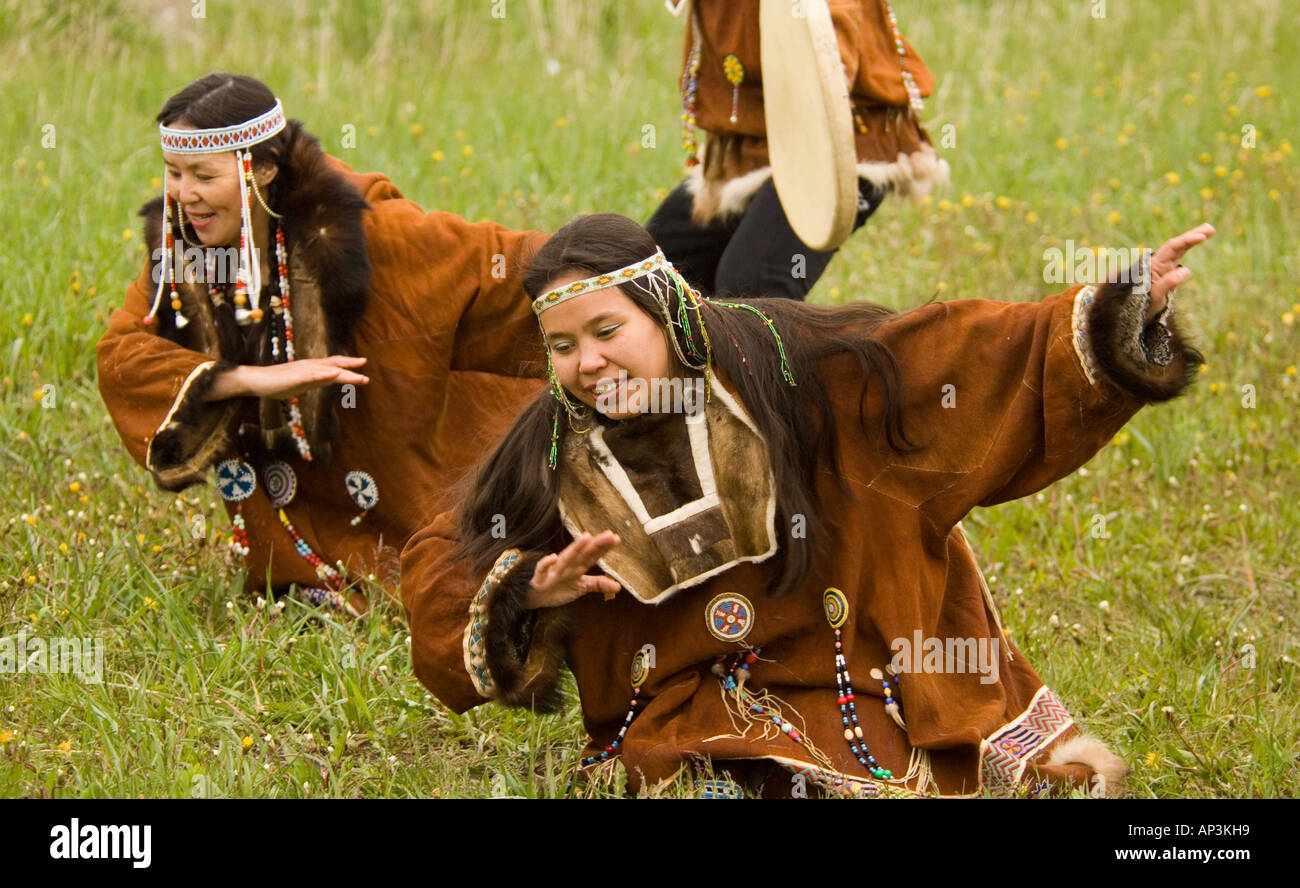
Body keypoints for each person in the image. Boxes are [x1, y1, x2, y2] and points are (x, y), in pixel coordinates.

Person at [402, 211, 1212, 798]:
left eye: (608, 330)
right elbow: (441, 558)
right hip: (682, 698)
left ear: (666, 311)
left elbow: (942, 355)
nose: (589, 363)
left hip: (841, 659)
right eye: (563, 345)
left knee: (877, 769)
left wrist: (1114, 315)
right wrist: (523, 592)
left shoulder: (778, 364)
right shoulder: (550, 449)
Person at [97, 73, 546, 616]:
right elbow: (123, 354)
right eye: (173, 173)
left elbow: (490, 266)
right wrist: (243, 378)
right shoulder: (181, 252)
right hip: (293, 524)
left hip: (405, 454)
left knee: (456, 558)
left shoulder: (359, 227)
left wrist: (623, 280)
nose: (183, 193)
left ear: (263, 168)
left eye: (203, 175)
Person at [647, 0, 948, 301]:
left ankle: (781, 345)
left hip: (841, 137)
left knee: (754, 284)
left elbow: (832, 15)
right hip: (750, 146)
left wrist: (826, 65)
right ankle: (707, 346)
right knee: (655, 269)